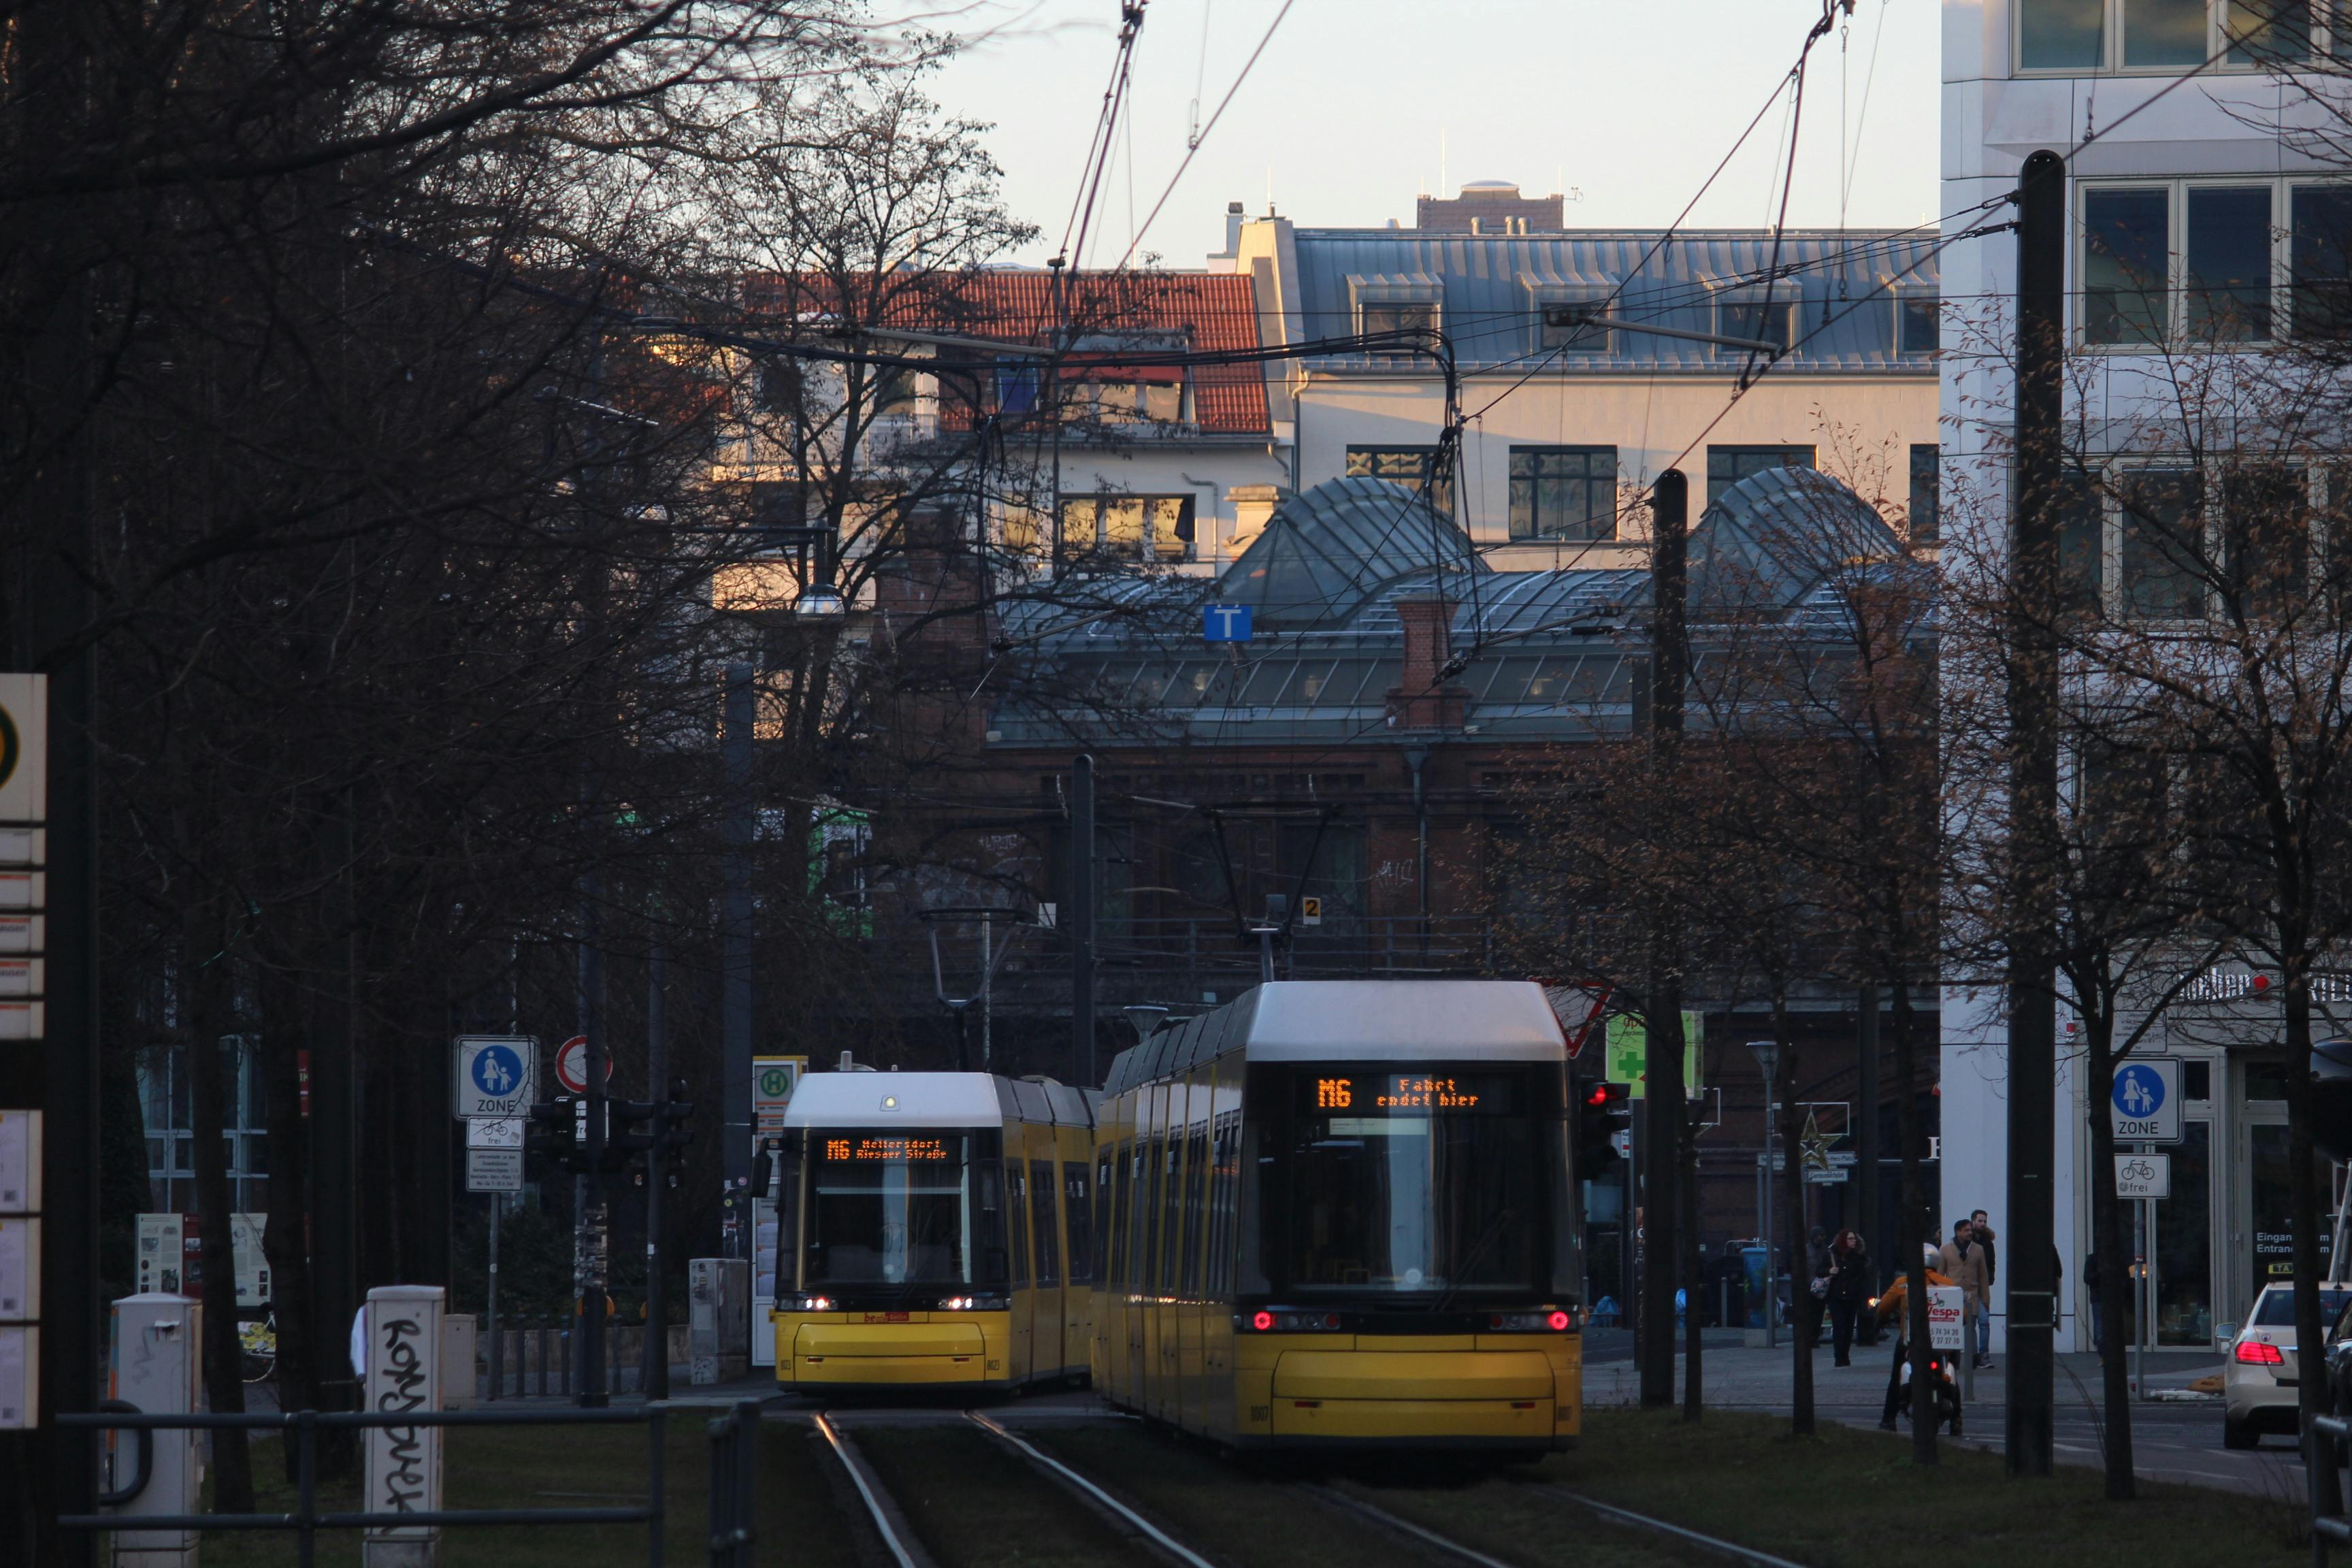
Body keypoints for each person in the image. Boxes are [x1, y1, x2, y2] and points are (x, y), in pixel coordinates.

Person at [1874, 1262, 1960, 1435]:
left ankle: (1889, 1419)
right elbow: (1962, 1313)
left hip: (1911, 1341)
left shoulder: (1903, 1282)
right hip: (1943, 1342)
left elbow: (1883, 1308)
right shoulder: (1948, 1284)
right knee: (1953, 1378)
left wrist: (1881, 1318)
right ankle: (1957, 1421)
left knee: (1895, 1377)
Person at [1938, 1218, 1993, 1370]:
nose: (1970, 1233)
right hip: (1953, 1294)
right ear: (1958, 1232)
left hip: (1974, 1294)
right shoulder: (1945, 1249)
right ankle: (1954, 1358)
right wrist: (1940, 1294)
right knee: (1955, 1327)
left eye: (1970, 1230)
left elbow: (1983, 1275)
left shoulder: (1978, 1249)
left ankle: (1976, 1357)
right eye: (1966, 1230)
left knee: (1974, 1324)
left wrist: (1986, 1297)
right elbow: (1940, 1274)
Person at [1824, 1228, 1870, 1367]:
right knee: (1839, 1326)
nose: (1853, 1241)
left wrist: (1863, 1296)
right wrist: (1829, 1271)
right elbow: (1819, 1270)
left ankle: (1845, 1355)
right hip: (1836, 1295)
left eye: (1854, 1239)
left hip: (1851, 1296)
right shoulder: (1832, 1254)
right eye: (1850, 1239)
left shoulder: (1858, 1257)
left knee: (1849, 1327)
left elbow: (1862, 1278)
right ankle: (1839, 1356)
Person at [1971, 1209, 1998, 1366]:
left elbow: (1991, 1263)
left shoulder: (1988, 1244)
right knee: (1973, 1321)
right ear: (1973, 1221)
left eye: (1985, 1221)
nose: (1983, 1224)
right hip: (1971, 1286)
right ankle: (1977, 1355)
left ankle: (1983, 1355)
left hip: (1982, 1286)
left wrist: (1990, 1280)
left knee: (1983, 1321)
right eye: (1980, 1221)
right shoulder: (1969, 1241)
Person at [1803, 1226, 1831, 1348]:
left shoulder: (1826, 1250)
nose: (1823, 1238)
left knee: (1819, 1313)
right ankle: (1810, 1338)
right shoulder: (1806, 1250)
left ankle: (1814, 1337)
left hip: (1822, 1284)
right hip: (1809, 1284)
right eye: (1821, 1235)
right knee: (1811, 1313)